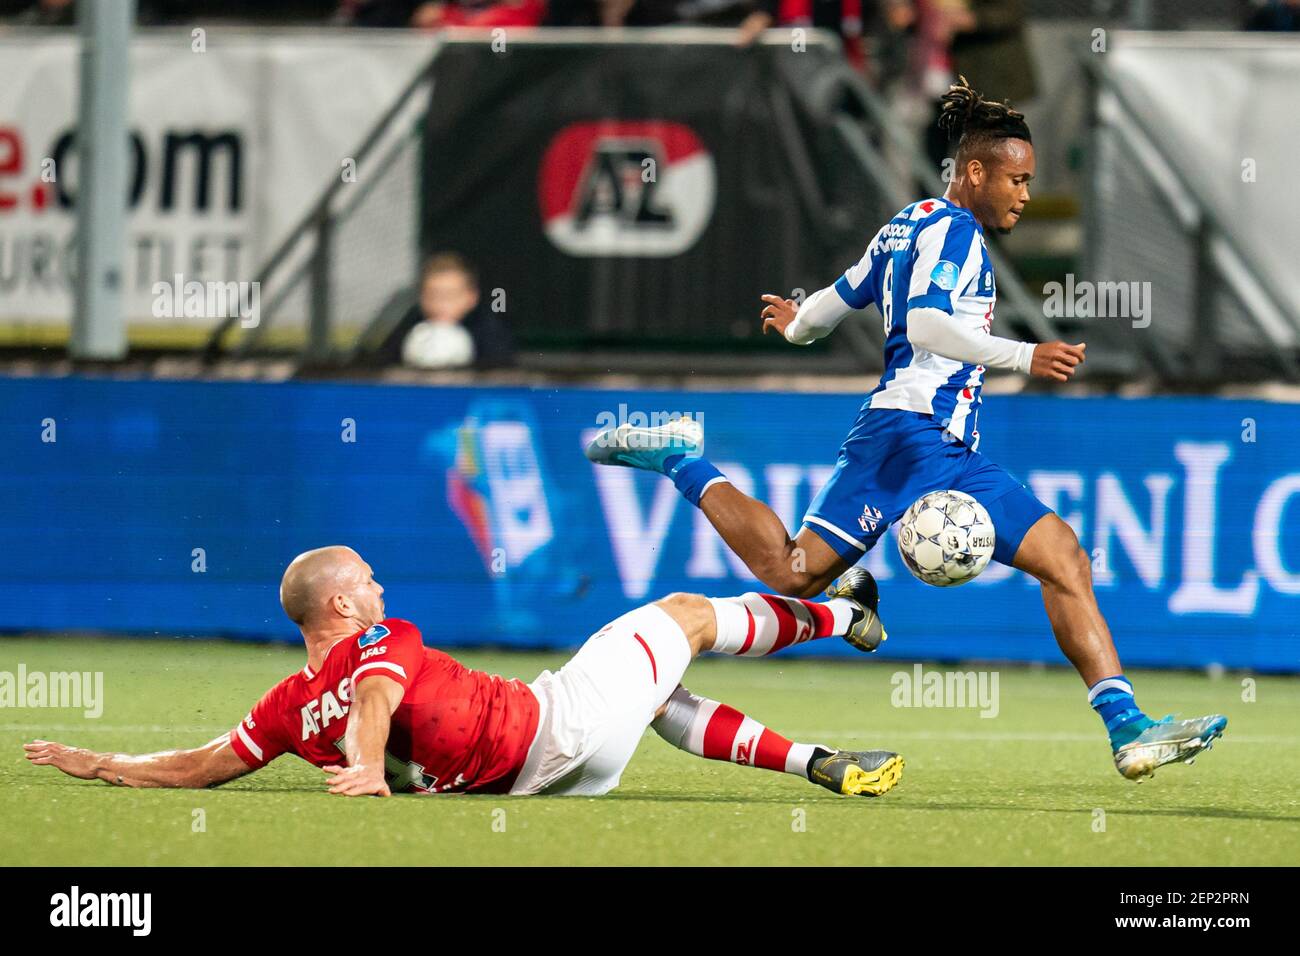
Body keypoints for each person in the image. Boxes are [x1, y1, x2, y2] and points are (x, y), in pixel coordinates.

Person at [585, 78, 1228, 782]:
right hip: (906, 437)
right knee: (789, 574)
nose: (1024, 194)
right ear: (975, 172)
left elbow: (830, 306)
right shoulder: (955, 233)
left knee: (1063, 558)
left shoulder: (908, 221)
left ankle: (1128, 728)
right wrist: (1024, 355)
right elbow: (923, 323)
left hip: (938, 446)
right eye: (1016, 179)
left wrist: (797, 324)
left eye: (1030, 181)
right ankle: (681, 458)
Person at [24, 546, 902, 798]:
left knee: (658, 696)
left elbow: (209, 762)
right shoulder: (383, 640)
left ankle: (815, 762)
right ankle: (844, 613)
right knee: (683, 616)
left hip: (544, 783)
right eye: (365, 580)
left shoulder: (287, 708)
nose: (381, 586)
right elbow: (375, 696)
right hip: (557, 726)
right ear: (340, 607)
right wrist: (368, 763)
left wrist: (108, 763)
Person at [380, 252, 515, 371]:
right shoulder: (405, 327)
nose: (440, 304)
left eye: (450, 295)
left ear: (472, 297)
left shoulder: (491, 334)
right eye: (432, 295)